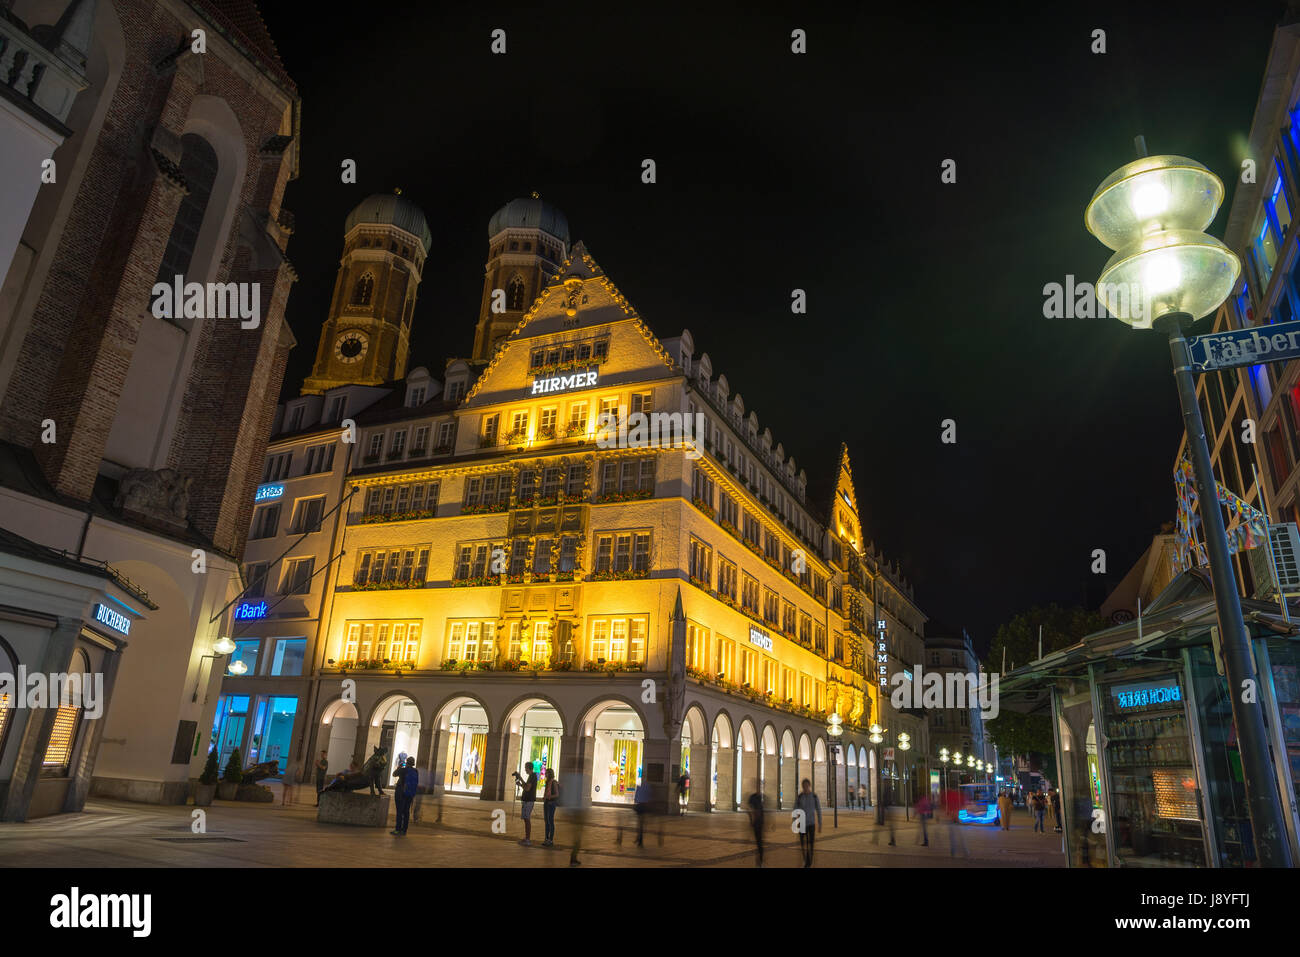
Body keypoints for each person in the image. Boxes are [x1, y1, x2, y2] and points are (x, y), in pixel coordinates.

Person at [794, 778, 822, 867]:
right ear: (802, 786)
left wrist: (820, 823)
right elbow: (795, 809)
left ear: (809, 786)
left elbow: (818, 810)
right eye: (804, 786)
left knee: (811, 844)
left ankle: (808, 862)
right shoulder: (799, 796)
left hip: (811, 823)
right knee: (803, 844)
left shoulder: (814, 796)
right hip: (802, 823)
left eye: (807, 786)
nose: (805, 787)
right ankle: (805, 859)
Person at [513, 761, 539, 846]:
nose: (525, 769)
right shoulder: (531, 776)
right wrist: (520, 785)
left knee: (527, 819)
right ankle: (526, 838)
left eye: (525, 768)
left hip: (528, 801)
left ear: (529, 768)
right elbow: (526, 787)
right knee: (525, 819)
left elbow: (527, 788)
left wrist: (520, 778)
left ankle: (528, 839)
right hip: (526, 800)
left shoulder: (532, 776)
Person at [390, 756, 417, 835]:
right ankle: (404, 830)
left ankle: (397, 829)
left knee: (399, 811)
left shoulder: (403, 770)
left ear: (407, 762)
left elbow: (394, 774)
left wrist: (399, 767)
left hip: (401, 793)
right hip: (410, 794)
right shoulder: (415, 771)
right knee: (406, 811)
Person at [746, 782, 765, 867]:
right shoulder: (753, 797)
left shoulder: (761, 796)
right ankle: (759, 861)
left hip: (761, 822)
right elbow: (748, 809)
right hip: (756, 823)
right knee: (759, 842)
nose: (760, 787)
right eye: (759, 785)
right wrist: (751, 819)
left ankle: (760, 860)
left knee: (760, 842)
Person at [542, 768, 559, 847]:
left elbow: (557, 794)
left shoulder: (554, 782)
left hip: (551, 803)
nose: (545, 774)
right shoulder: (547, 782)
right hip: (546, 803)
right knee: (546, 821)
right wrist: (545, 797)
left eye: (547, 773)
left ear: (550, 774)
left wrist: (549, 797)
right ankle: (546, 838)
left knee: (550, 821)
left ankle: (551, 840)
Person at [633, 778, 651, 846]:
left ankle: (639, 838)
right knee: (642, 824)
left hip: (640, 807)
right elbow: (649, 797)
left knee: (640, 823)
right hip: (644, 807)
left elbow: (636, 799)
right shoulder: (647, 788)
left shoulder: (639, 788)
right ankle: (640, 838)